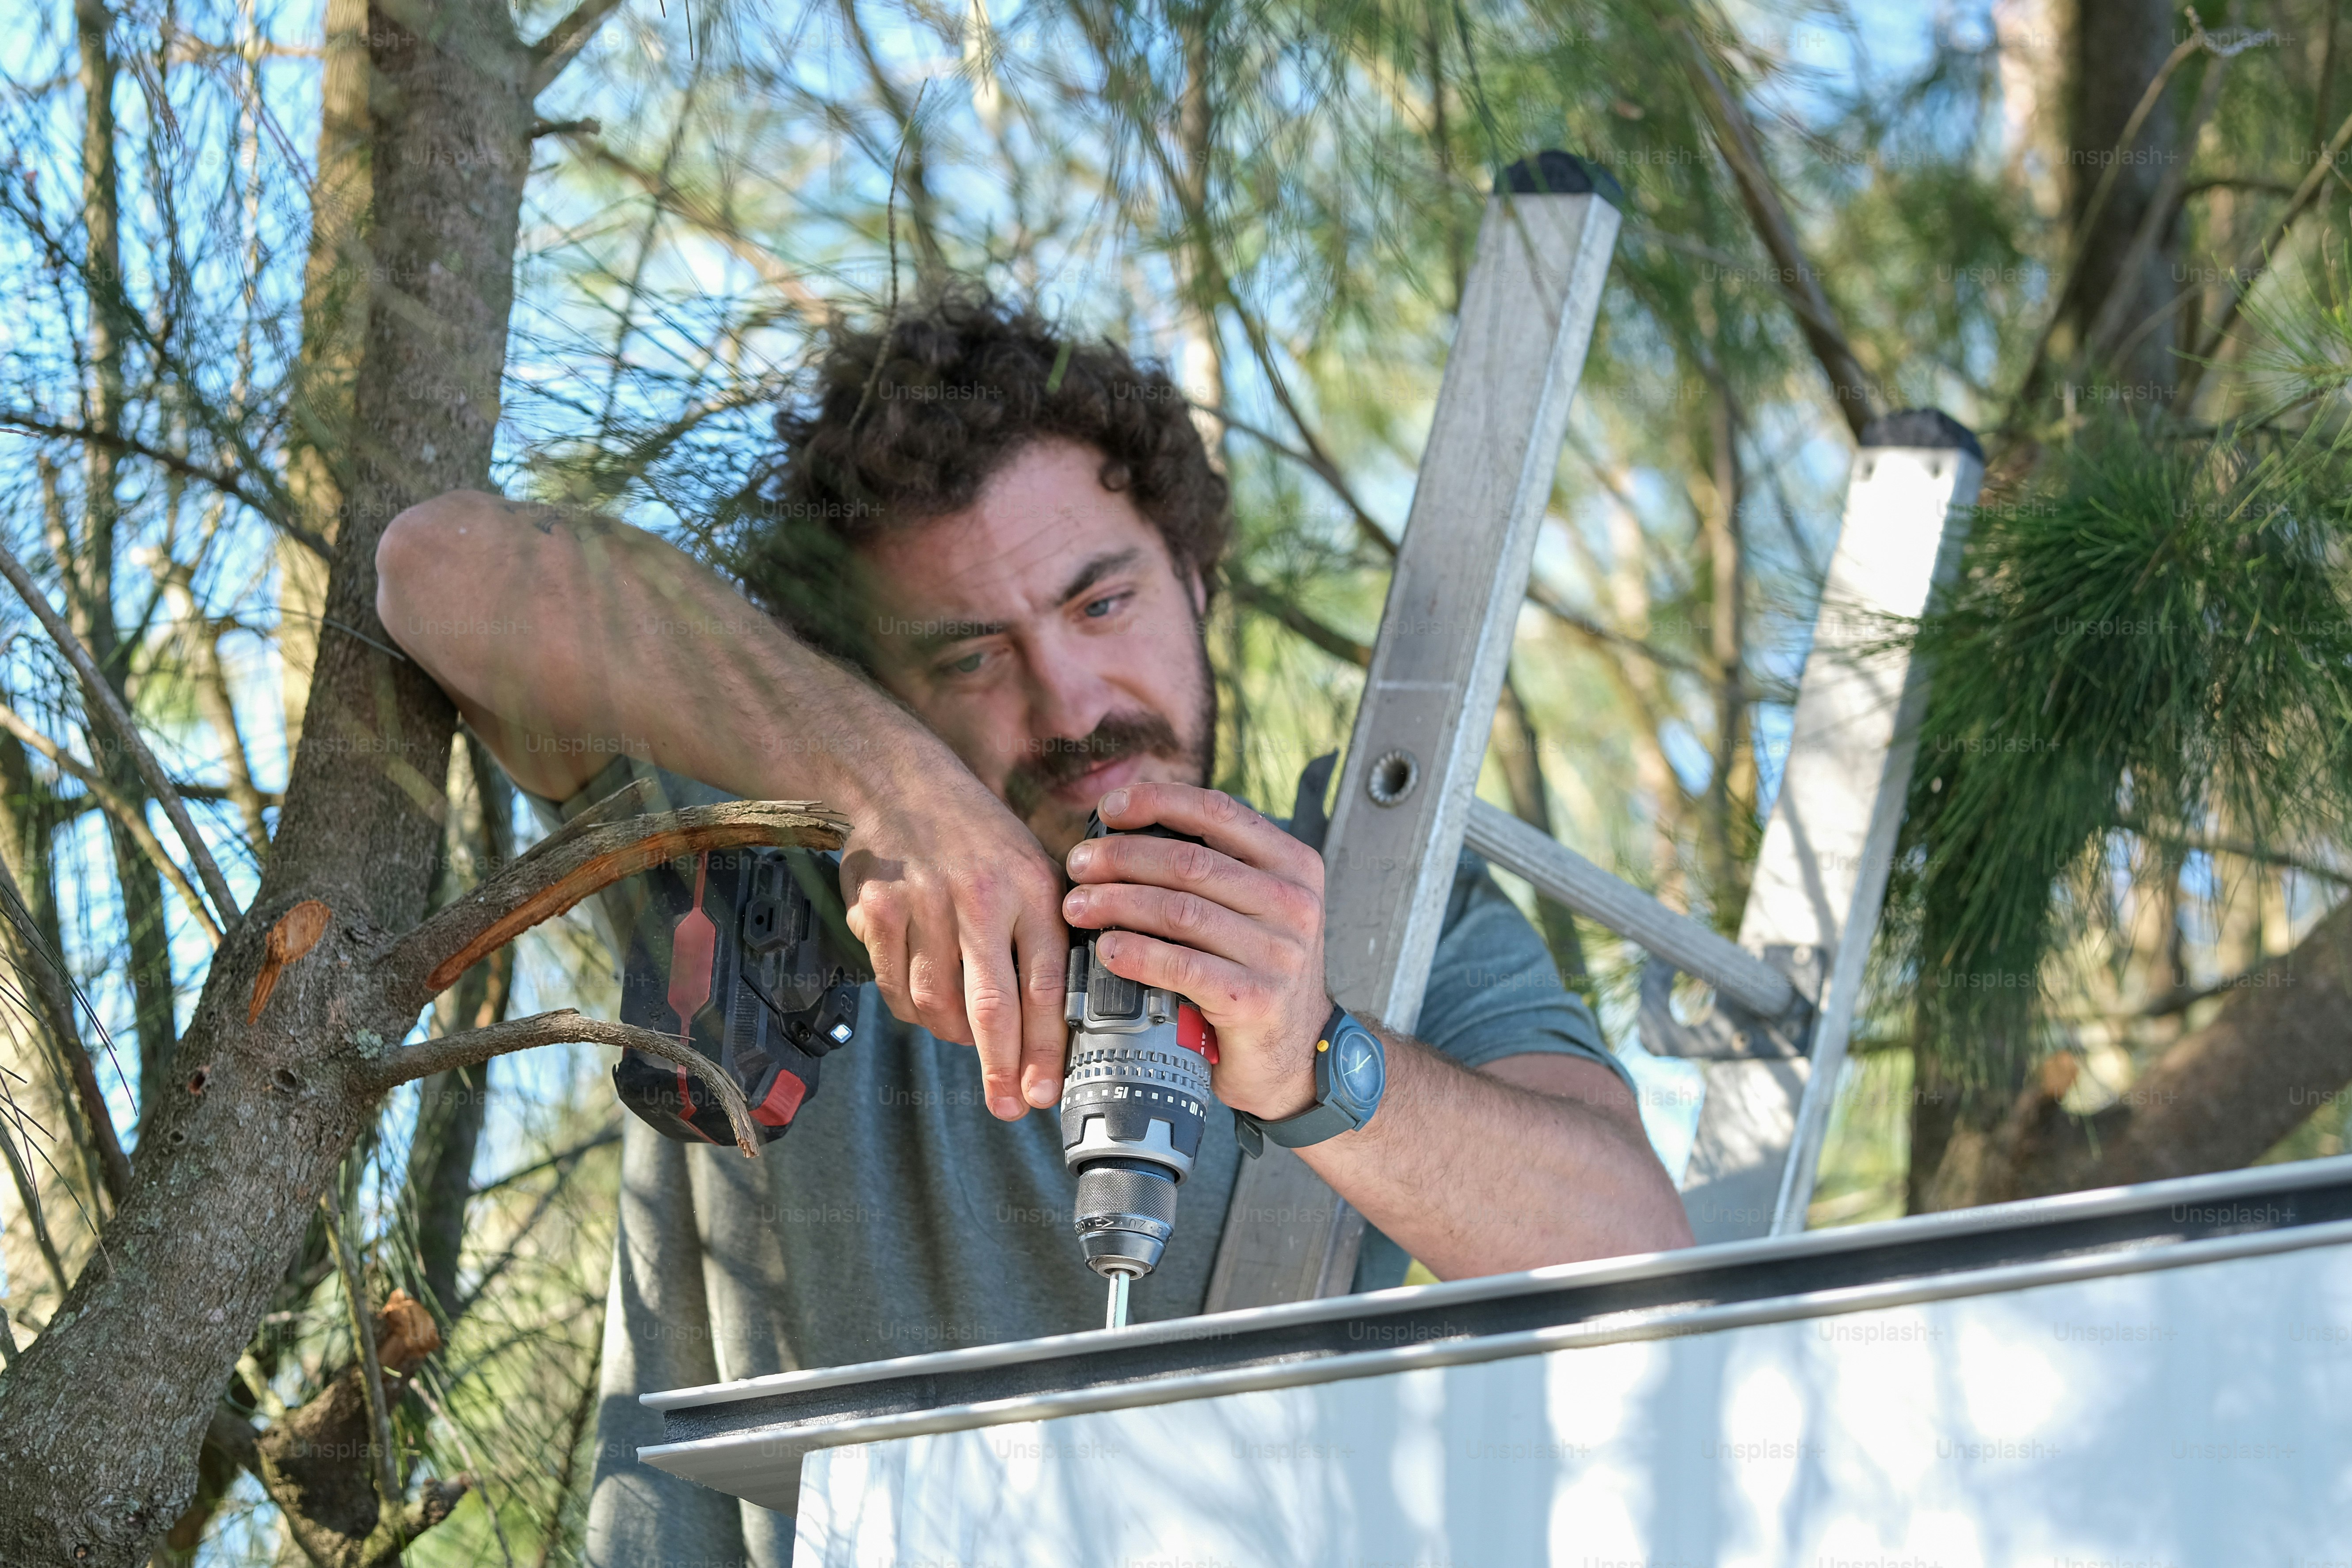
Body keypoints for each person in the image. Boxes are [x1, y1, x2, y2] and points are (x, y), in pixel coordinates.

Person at [376, 288, 1692, 1565]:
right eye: (969, 656)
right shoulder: (767, 851)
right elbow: (433, 570)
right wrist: (878, 782)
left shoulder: (1368, 898)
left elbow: (1641, 1266)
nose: (1069, 705)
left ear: (1194, 577)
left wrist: (1316, 1059)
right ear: (872, 681)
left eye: (1100, 603)